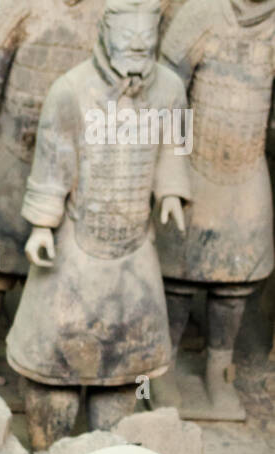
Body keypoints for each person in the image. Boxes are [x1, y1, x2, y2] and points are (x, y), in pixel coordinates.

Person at [4, 0, 191, 447]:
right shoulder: (70, 90)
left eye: (146, 46)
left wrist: (170, 191)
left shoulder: (170, 89)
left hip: (134, 245)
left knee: (123, 363)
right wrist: (43, 226)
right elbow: (53, 161)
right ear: (106, 32)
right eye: (128, 43)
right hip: (76, 241)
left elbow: (174, 146)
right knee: (55, 359)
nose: (136, 53)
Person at [0, 0, 103, 387]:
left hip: (81, 154)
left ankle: (43, 356)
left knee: (65, 262)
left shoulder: (111, 8)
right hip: (15, 135)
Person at [155, 0, 275, 420]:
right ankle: (163, 367)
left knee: (234, 282)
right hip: (194, 161)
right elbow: (168, 96)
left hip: (247, 165)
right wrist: (174, 168)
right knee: (178, 277)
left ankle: (218, 372)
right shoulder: (200, 14)